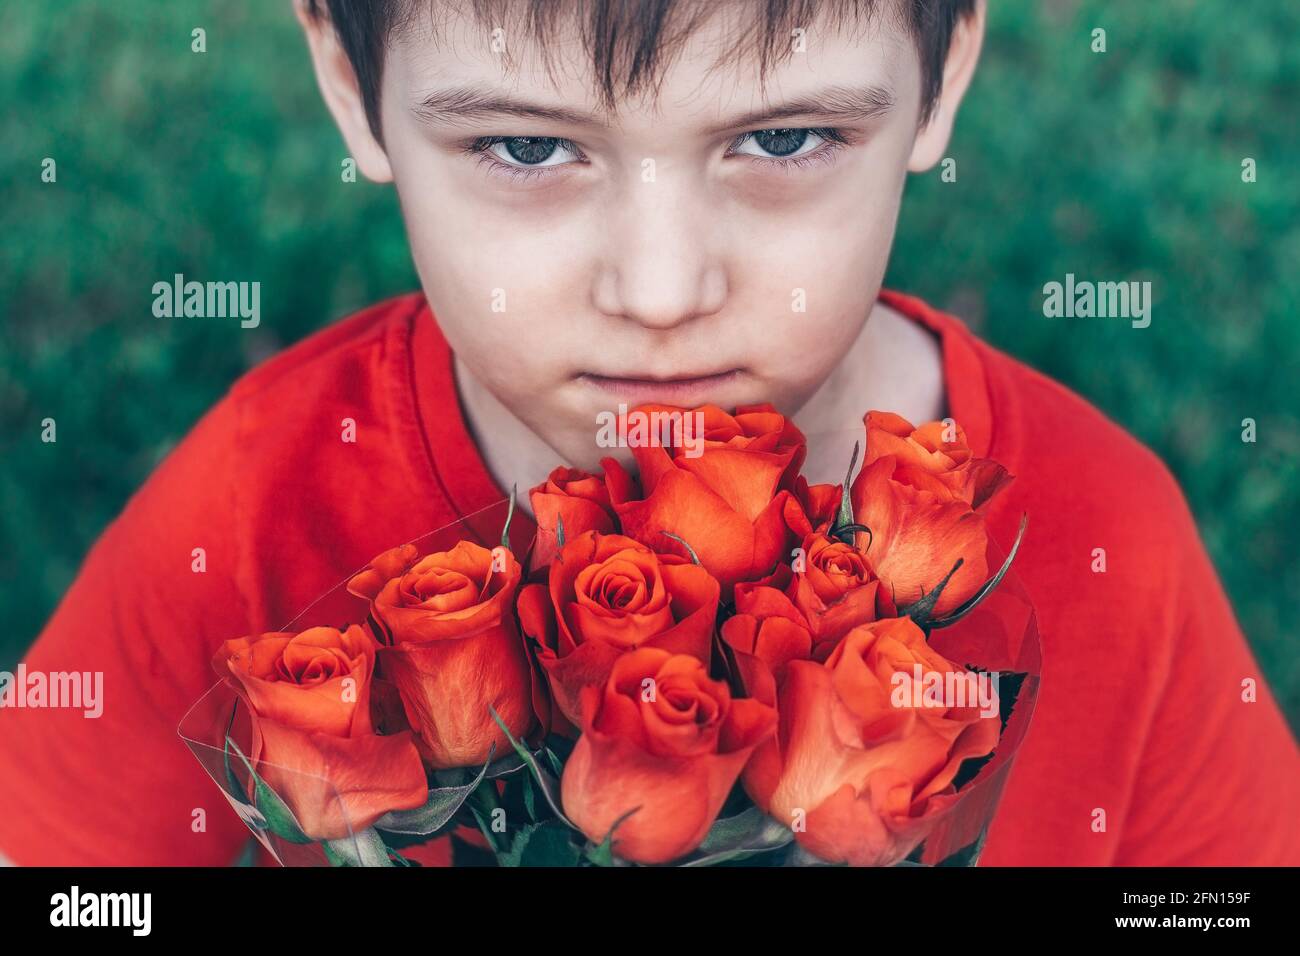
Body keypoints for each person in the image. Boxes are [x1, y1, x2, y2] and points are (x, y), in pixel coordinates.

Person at [0, 0, 1295, 866]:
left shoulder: (1103, 536)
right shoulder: (249, 514)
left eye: (785, 137)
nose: (664, 294)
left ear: (943, 72)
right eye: (522, 145)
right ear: (353, 89)